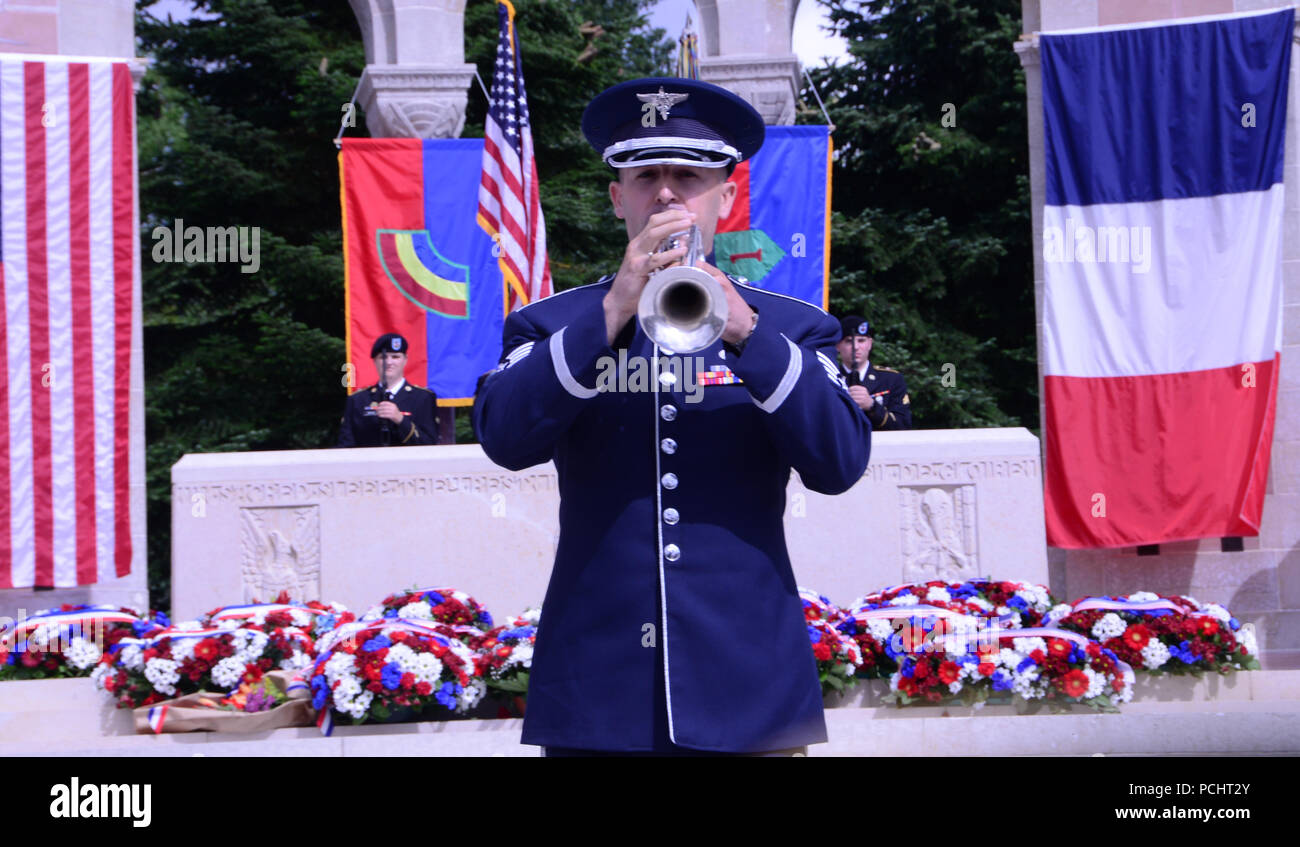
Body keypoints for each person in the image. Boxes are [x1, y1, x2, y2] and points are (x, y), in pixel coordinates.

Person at [473, 77, 871, 755]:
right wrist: (609, 314)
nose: (665, 192)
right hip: (599, 692)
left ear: (727, 196)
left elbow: (839, 463)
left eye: (688, 175)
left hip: (750, 688)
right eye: (646, 175)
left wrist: (749, 334)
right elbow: (505, 438)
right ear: (616, 197)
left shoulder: (792, 326)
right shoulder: (551, 323)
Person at [338, 333, 439, 447]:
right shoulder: (358, 400)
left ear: (405, 360)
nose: (389, 362)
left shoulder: (423, 398)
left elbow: (429, 444)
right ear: (374, 361)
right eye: (383, 357)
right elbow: (346, 446)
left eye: (395, 357)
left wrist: (400, 420)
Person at [836, 315, 912, 430]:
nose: (856, 347)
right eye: (849, 341)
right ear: (838, 345)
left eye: (861, 340)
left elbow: (903, 425)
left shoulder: (891, 379)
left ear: (870, 344)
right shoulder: (828, 378)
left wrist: (872, 406)